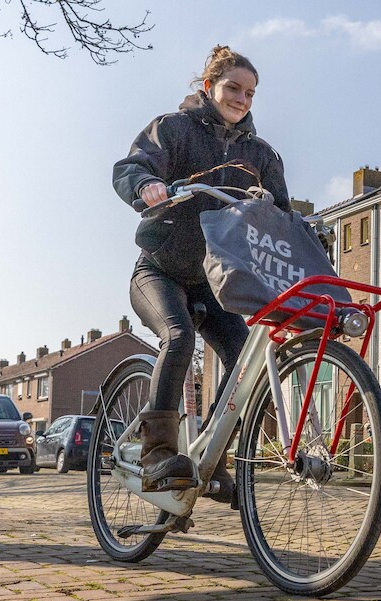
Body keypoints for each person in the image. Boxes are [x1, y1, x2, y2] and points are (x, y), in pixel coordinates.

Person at [112, 45, 291, 501]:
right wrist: (146, 185)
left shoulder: (261, 154)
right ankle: (156, 452)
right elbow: (131, 166)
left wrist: (304, 232)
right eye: (233, 88)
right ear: (209, 86)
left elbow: (282, 215)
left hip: (215, 282)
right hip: (160, 270)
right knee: (178, 337)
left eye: (251, 93)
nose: (242, 99)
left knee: (242, 359)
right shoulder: (173, 129)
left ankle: (210, 456)